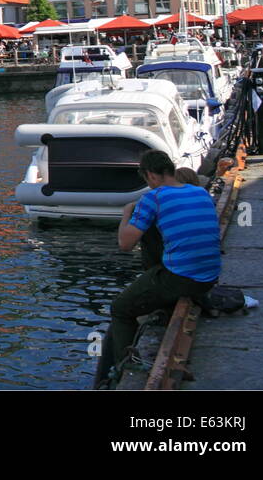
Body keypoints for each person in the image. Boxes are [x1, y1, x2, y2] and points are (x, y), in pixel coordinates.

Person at [95, 150, 220, 387]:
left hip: (182, 277)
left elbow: (125, 244)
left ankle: (126, 366)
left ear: (151, 175)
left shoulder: (153, 199)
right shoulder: (200, 191)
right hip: (209, 275)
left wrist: (126, 215)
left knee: (120, 308)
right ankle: (165, 300)